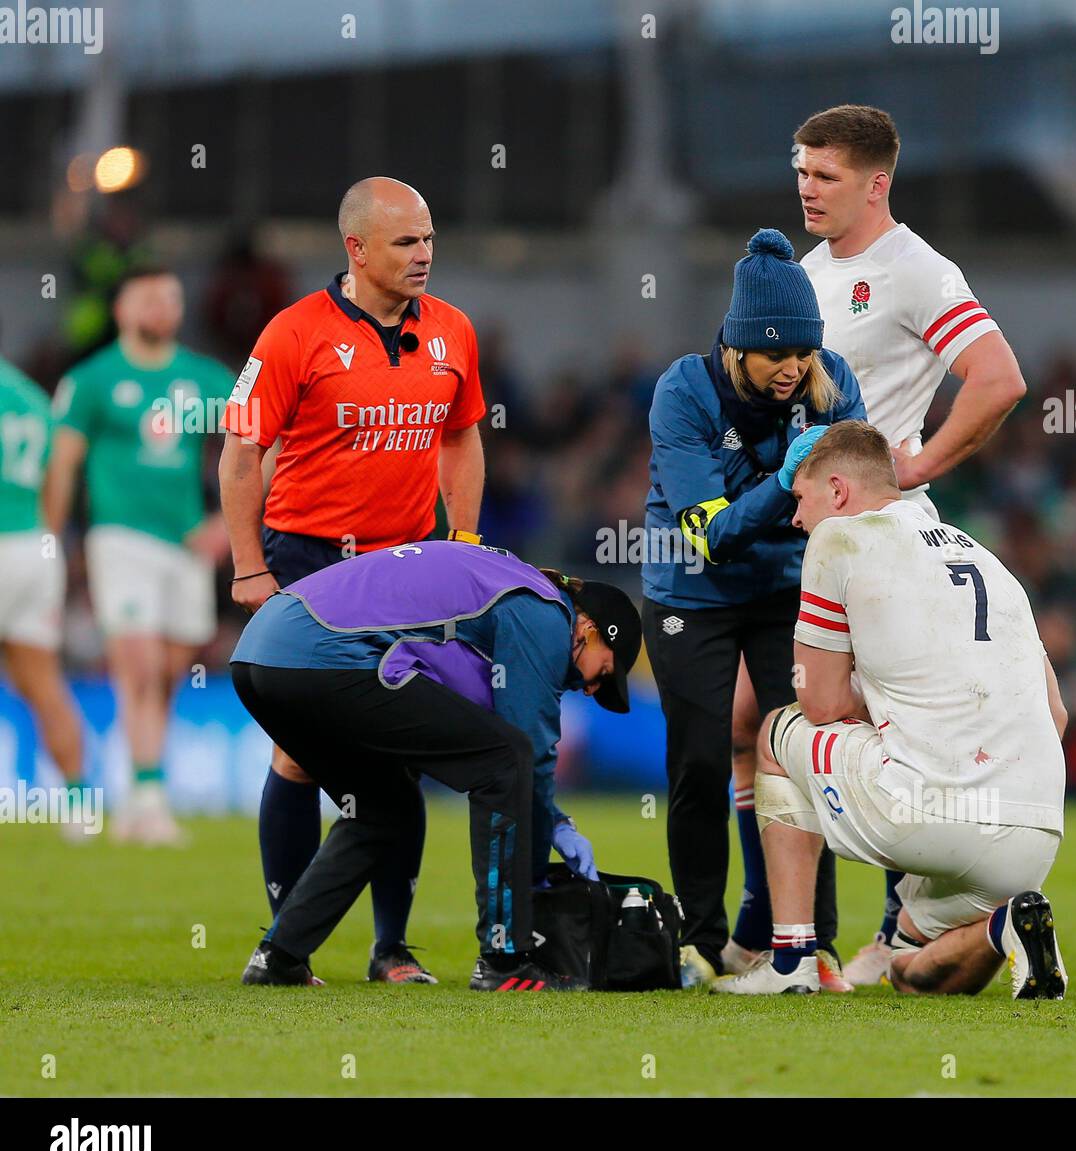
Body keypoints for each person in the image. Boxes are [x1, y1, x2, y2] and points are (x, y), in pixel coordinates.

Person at [218, 176, 487, 984]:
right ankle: (286, 940)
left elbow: (463, 438)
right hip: (306, 565)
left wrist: (464, 547)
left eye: (430, 239)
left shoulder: (453, 333)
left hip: (405, 568)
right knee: (300, 757)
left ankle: (391, 948)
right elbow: (240, 454)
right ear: (357, 249)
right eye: (407, 243)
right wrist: (249, 570)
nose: (425, 256)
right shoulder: (292, 334)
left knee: (396, 757)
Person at [788, 102, 1031, 986]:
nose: (807, 188)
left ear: (876, 183)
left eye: (827, 176)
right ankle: (807, 936)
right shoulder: (805, 272)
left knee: (859, 719)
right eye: (802, 170)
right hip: (810, 527)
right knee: (769, 718)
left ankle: (850, 938)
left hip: (882, 541)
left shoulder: (916, 269)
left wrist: (918, 460)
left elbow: (998, 377)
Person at [713, 421, 1067, 998]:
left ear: (837, 489)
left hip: (927, 809)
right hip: (1032, 837)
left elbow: (822, 704)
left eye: (799, 499)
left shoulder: (839, 540)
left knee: (776, 732)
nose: (795, 519)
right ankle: (1008, 927)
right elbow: (1056, 716)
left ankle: (792, 961)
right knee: (912, 972)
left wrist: (881, 708)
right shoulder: (987, 559)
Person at [231, 540, 642, 990]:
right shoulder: (544, 611)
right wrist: (538, 868)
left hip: (261, 655)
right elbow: (527, 752)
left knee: (384, 808)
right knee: (505, 759)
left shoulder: (510, 584)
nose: (590, 690)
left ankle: (280, 957)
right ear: (587, 626)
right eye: (603, 674)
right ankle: (503, 961)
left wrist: (554, 821)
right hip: (320, 656)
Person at [642, 227, 867, 991]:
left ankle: (809, 942)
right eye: (776, 355)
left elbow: (855, 498)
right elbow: (711, 537)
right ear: (738, 347)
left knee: (804, 760)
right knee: (700, 764)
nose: (793, 369)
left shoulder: (830, 378)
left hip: (786, 594)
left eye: (803, 353)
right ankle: (701, 942)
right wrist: (789, 481)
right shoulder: (683, 391)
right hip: (689, 596)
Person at [44, 267, 233, 844]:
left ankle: (137, 786)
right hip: (119, 537)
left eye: (172, 297)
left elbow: (263, 443)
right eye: (149, 297)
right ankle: (149, 799)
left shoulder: (204, 379)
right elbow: (62, 464)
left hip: (187, 543)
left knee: (171, 670)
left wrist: (227, 524)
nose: (162, 307)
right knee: (140, 664)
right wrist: (51, 545)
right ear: (122, 308)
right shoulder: (94, 380)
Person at [0, 351, 87, 836]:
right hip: (34, 547)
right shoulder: (31, 397)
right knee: (45, 685)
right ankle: (78, 809)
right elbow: (58, 481)